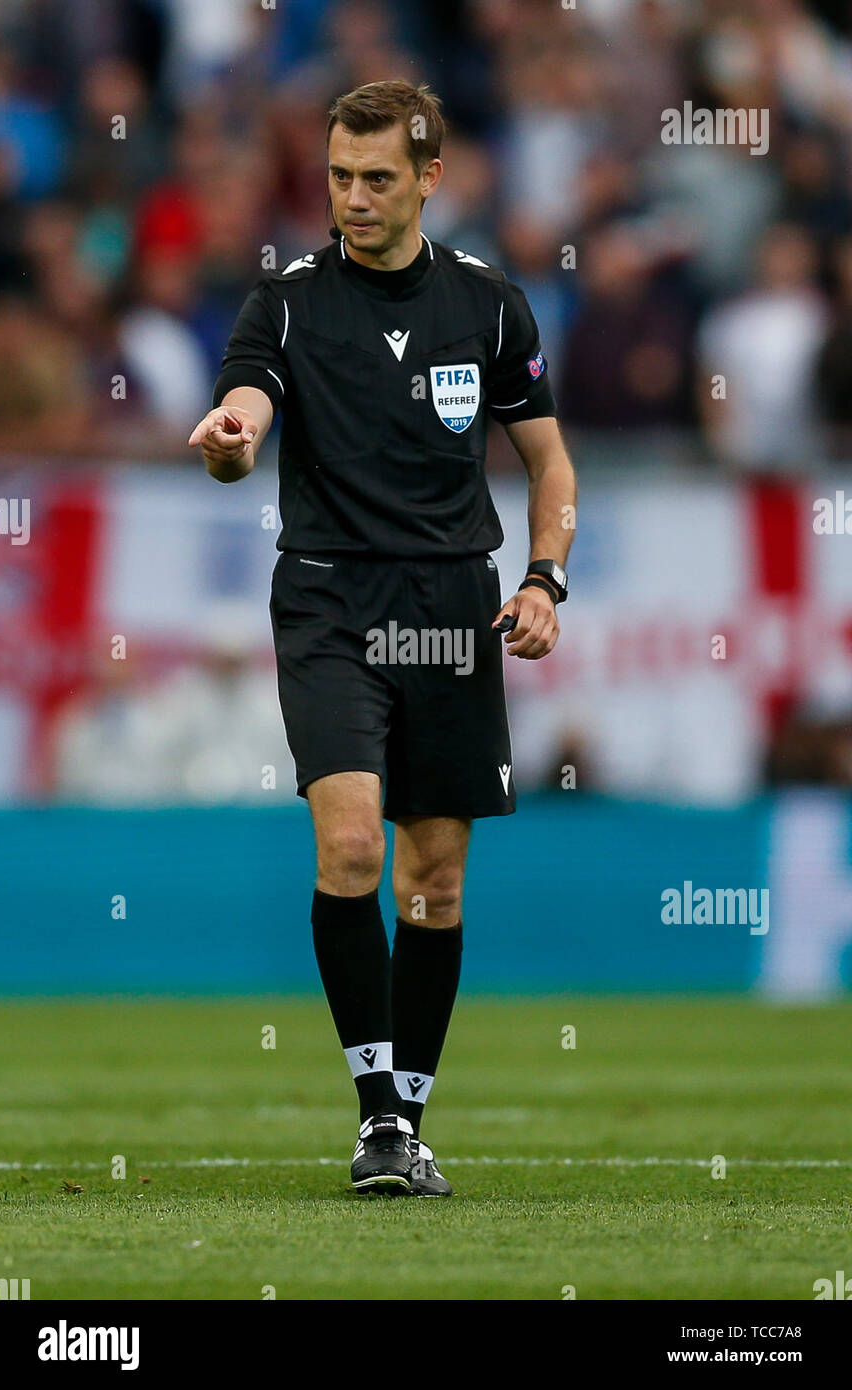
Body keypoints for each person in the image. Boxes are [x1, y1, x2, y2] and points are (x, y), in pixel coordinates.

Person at [188, 80, 576, 1196]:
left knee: (435, 878)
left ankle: (407, 1120)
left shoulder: (491, 306)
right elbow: (243, 417)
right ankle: (375, 1119)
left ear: (429, 178)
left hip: (455, 602)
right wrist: (226, 442)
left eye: (376, 179)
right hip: (328, 599)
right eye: (338, 178)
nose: (352, 199)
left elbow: (550, 464)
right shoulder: (287, 303)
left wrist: (546, 579)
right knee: (354, 848)